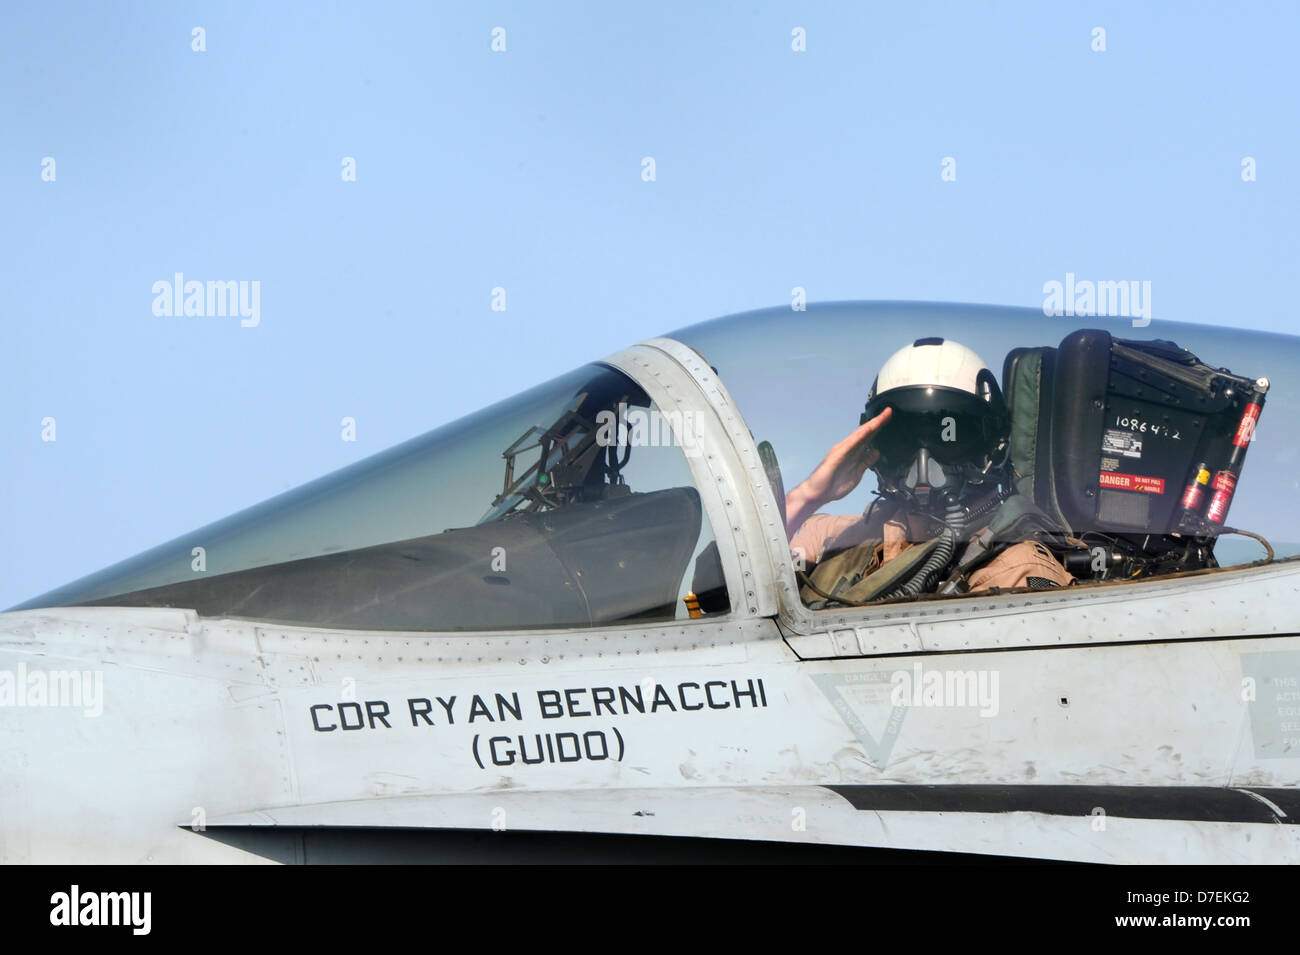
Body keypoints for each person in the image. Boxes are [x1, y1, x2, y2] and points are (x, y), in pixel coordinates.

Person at [787, 338, 1073, 604]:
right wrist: (809, 496)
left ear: (993, 446)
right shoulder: (837, 539)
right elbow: (748, 574)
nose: (922, 462)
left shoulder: (1012, 568)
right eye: (901, 439)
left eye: (948, 438)